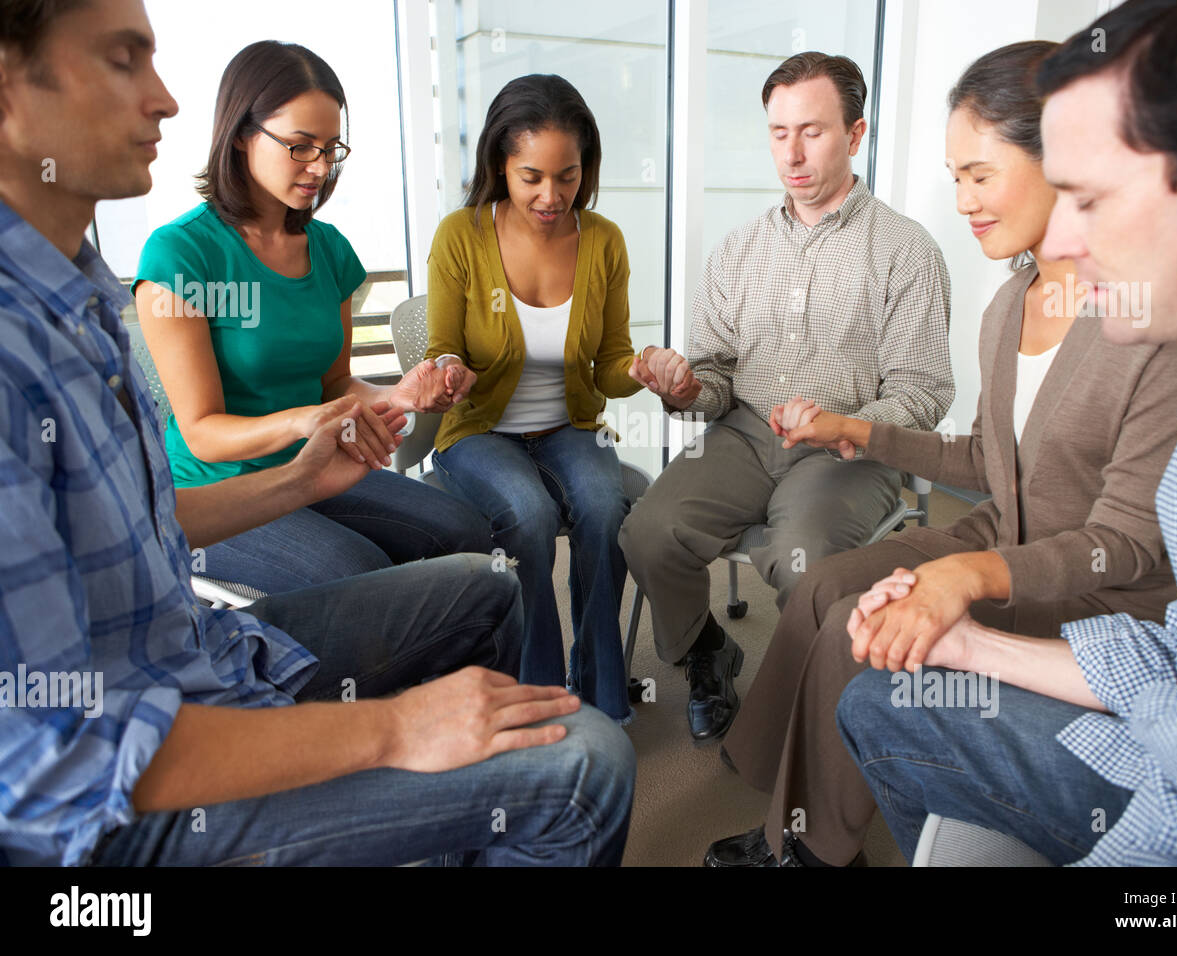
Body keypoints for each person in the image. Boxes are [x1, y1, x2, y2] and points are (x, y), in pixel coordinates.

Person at [0, 0, 634, 868]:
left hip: (209, 641)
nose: (164, 98)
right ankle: (437, 786)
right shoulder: (156, 270)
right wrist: (389, 728)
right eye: (123, 58)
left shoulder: (80, 296)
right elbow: (55, 759)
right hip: (129, 787)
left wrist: (353, 432)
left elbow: (155, 514)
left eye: (329, 149)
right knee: (586, 761)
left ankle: (453, 813)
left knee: (481, 571)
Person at [702, 40, 1177, 867]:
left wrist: (961, 577)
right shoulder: (1011, 305)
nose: (963, 200)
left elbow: (1128, 543)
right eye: (954, 176)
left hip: (1093, 588)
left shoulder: (1147, 325)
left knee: (854, 628)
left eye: (980, 173)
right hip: (1002, 529)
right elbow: (989, 460)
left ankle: (812, 847)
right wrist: (854, 430)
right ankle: (776, 794)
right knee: (827, 583)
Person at [837, 0, 1177, 866]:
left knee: (879, 705)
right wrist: (967, 641)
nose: (1064, 243)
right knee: (882, 683)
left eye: (1089, 198)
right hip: (1167, 752)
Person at [619, 51, 955, 742]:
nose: (793, 153)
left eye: (813, 131)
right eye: (779, 133)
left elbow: (922, 392)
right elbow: (712, 380)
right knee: (647, 531)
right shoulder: (738, 252)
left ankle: (795, 718)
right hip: (743, 434)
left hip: (849, 450)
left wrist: (841, 425)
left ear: (856, 134)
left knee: (804, 561)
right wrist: (684, 387)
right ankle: (706, 652)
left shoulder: (905, 250)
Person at [132, 39, 493, 594]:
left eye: (331, 148)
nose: (321, 167)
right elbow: (202, 433)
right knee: (365, 575)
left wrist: (402, 393)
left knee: (468, 531)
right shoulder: (180, 255)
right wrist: (305, 422)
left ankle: (470, 680)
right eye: (300, 147)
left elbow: (333, 385)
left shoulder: (328, 250)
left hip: (320, 465)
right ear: (241, 135)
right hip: (216, 491)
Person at [425, 74, 689, 723]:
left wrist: (645, 367)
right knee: (529, 516)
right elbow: (442, 346)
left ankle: (600, 691)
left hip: (571, 426)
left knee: (607, 508)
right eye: (531, 176)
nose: (551, 195)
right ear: (500, 167)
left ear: (585, 168)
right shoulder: (460, 235)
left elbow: (609, 369)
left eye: (567, 176)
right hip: (480, 434)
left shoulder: (602, 241)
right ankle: (537, 692)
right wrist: (451, 370)